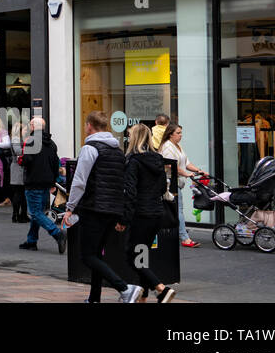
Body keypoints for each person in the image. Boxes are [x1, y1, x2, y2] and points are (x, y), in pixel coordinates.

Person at [63, 110, 144, 303]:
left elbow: (79, 181)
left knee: (87, 256)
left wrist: (70, 207)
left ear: (89, 125)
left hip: (94, 208)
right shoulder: (117, 151)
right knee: (97, 253)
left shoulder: (90, 148)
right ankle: (94, 297)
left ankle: (124, 289)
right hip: (113, 209)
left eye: (85, 126)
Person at [120, 123, 178, 302]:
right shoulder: (158, 159)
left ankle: (161, 289)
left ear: (134, 138)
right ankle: (143, 294)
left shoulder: (133, 161)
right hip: (156, 213)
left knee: (132, 255)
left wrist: (124, 218)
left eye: (130, 135)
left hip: (140, 214)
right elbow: (162, 188)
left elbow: (130, 192)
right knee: (142, 252)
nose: (128, 138)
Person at [15, 117, 65, 252]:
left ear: (32, 126)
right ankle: (32, 241)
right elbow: (56, 163)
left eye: (30, 124)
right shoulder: (51, 143)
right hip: (46, 182)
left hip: (34, 181)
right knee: (38, 212)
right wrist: (54, 180)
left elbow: (27, 160)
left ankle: (57, 233)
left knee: (36, 213)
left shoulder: (30, 141)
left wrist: (19, 159)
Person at [158, 123, 204, 248]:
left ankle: (170, 234)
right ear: (170, 134)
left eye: (181, 132)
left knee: (174, 210)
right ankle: (185, 238)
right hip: (170, 183)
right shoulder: (167, 146)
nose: (181, 135)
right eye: (178, 133)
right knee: (178, 210)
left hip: (177, 182)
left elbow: (186, 162)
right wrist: (186, 174)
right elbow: (169, 165)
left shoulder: (177, 146)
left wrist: (198, 170)